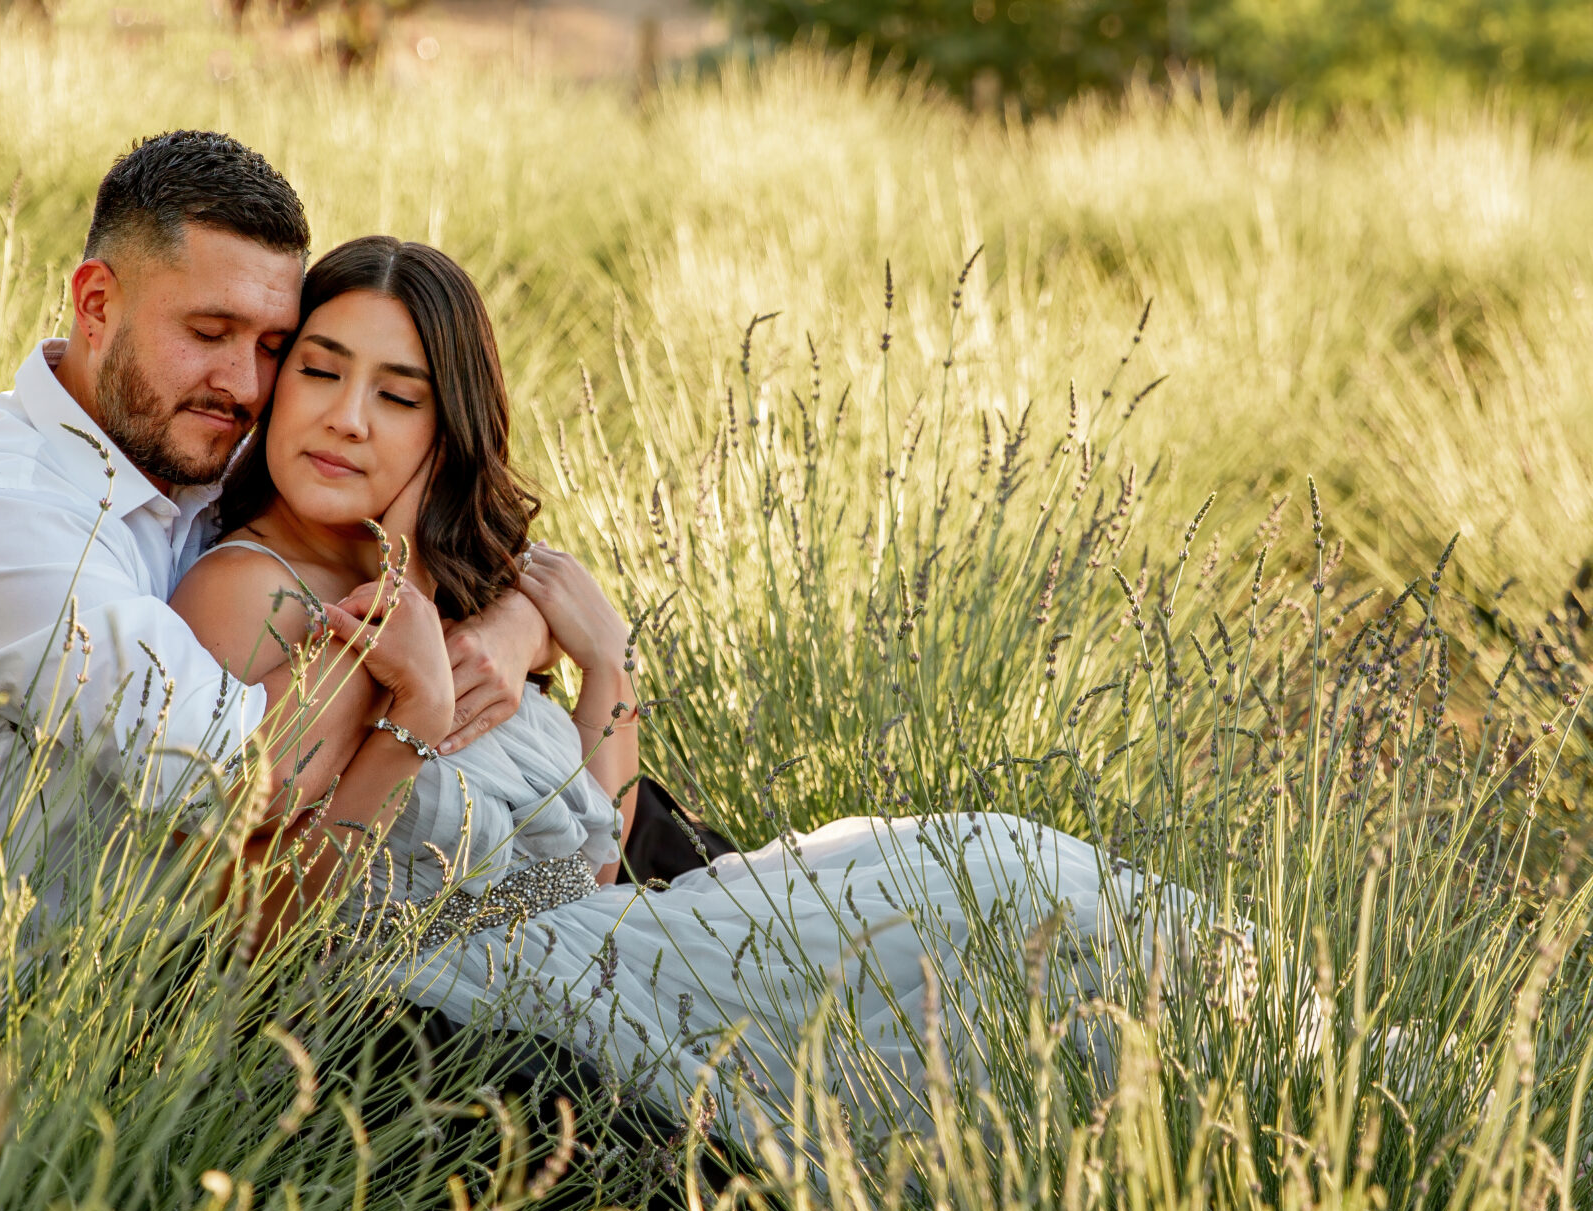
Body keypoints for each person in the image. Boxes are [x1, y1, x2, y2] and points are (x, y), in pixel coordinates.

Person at [170, 235, 1162, 1153]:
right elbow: (256, 929)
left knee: (1010, 885)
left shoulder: (439, 591)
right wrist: (409, 723)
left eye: (398, 396)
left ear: (448, 430)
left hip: (590, 947)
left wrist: (606, 664)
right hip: (468, 1017)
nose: (345, 417)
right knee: (983, 942)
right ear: (276, 380)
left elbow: (585, 870)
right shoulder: (247, 593)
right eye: (320, 370)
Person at [0, 132, 554, 928]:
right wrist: (407, 608)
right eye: (209, 332)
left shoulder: (202, 439)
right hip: (34, 1014)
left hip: (226, 962)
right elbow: (234, 784)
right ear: (96, 306)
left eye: (272, 347)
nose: (247, 384)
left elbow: (509, 555)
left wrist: (512, 632)